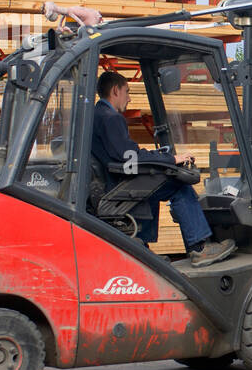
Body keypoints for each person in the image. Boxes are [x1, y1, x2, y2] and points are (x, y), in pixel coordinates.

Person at [92, 71, 234, 267]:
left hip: (113, 181)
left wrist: (159, 158)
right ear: (115, 91)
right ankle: (199, 248)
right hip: (119, 185)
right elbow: (130, 158)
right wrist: (171, 159)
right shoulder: (111, 118)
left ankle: (142, 249)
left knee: (154, 182)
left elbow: (127, 154)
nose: (130, 97)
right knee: (178, 185)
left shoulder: (96, 115)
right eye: (127, 91)